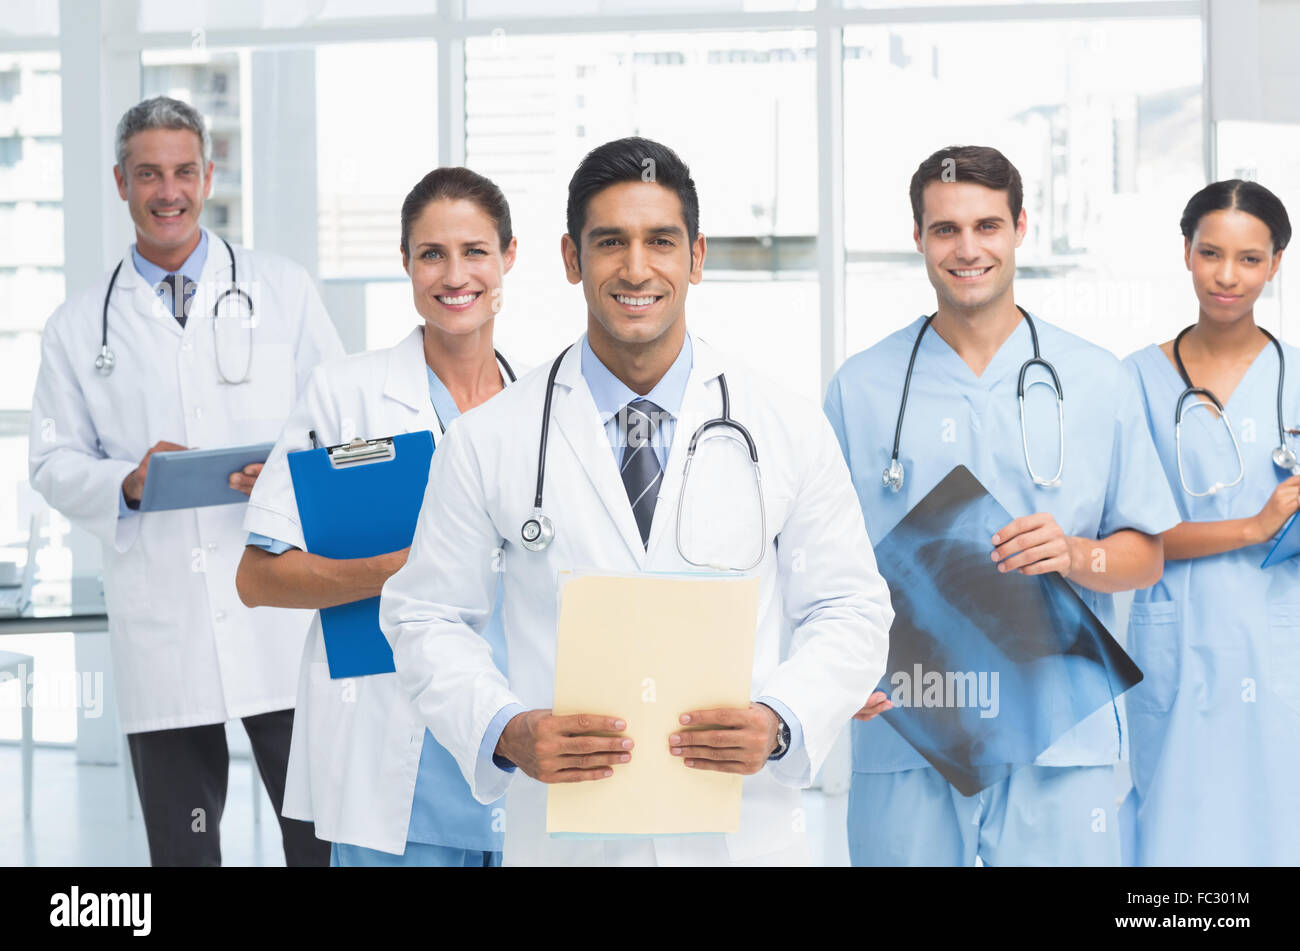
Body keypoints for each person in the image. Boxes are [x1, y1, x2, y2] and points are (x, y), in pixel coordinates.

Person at [379, 137, 893, 866]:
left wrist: (781, 719)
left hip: (740, 834)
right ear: (570, 258)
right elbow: (425, 614)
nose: (636, 268)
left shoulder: (785, 424)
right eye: (610, 242)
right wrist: (503, 726)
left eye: (661, 241)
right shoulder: (489, 439)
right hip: (571, 835)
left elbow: (851, 607)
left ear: (697, 256)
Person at [825, 145, 1179, 867]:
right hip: (909, 723)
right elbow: (821, 567)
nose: (967, 249)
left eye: (987, 226)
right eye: (945, 229)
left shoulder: (1096, 379)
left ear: (1021, 228)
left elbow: (1147, 558)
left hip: (1058, 727)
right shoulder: (861, 388)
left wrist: (1079, 555)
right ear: (918, 238)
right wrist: (839, 664)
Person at [28, 96, 343, 866]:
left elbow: (340, 423)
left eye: (182, 171)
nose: (167, 191)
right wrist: (127, 484)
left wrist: (290, 469)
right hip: (163, 620)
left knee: (323, 841)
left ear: (207, 176)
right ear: (120, 182)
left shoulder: (283, 289)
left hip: (278, 610)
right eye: (147, 174)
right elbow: (49, 461)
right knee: (185, 847)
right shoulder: (77, 326)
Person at [235, 167, 518, 866]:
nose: (455, 275)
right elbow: (257, 578)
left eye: (476, 251)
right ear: (406, 264)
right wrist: (403, 572)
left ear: (509, 257)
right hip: (390, 752)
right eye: (432, 254)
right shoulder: (345, 394)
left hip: (514, 742)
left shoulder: (545, 403)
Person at [1124, 179, 1298, 865]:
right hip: (1175, 638)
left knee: (1277, 823)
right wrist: (1253, 527)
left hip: (1279, 642)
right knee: (1175, 835)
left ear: (1276, 264)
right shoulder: (1133, 381)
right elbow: (1127, 536)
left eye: (1250, 259)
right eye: (1211, 253)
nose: (1228, 276)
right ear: (1186, 254)